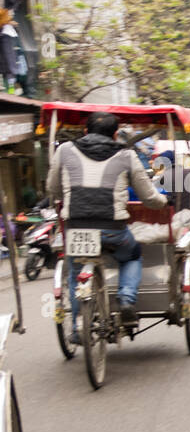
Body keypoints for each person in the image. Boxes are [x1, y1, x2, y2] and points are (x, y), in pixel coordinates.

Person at [47, 110, 167, 339]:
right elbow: (149, 197)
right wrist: (162, 202)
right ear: (115, 135)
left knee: (74, 271)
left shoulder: (64, 150)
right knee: (132, 256)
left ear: (85, 132)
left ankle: (77, 326)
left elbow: (52, 189)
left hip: (75, 229)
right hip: (113, 230)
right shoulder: (126, 155)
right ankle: (126, 299)